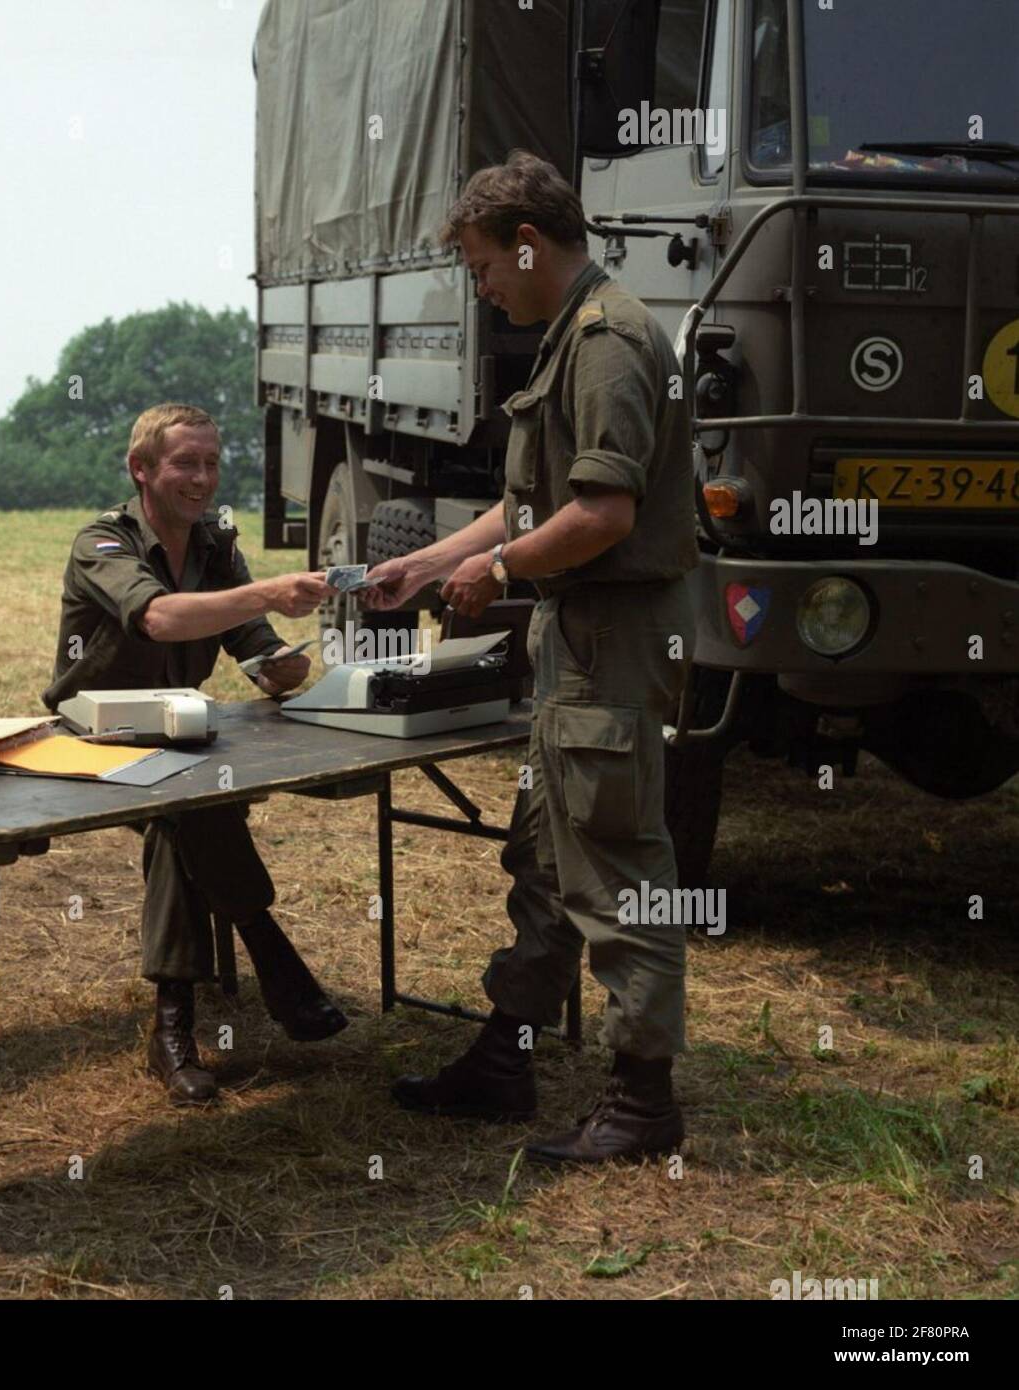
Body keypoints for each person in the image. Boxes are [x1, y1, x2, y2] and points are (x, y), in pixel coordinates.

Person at [363, 151, 699, 1163]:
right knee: (549, 857)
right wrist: (424, 567)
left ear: (527, 243)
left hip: (612, 633)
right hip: (578, 638)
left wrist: (500, 569)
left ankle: (642, 1105)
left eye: (479, 266)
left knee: (617, 862)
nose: (479, 286)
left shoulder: (604, 342)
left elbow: (600, 513)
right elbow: (531, 504)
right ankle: (504, 1059)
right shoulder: (570, 337)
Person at [43, 403, 347, 1102]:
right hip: (90, 738)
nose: (202, 478)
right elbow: (158, 616)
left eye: (210, 463)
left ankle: (174, 1028)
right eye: (185, 463)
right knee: (185, 814)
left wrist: (275, 663)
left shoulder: (215, 544)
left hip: (180, 736)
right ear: (141, 469)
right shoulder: (102, 542)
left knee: (184, 815)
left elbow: (253, 640)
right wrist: (263, 590)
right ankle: (265, 953)